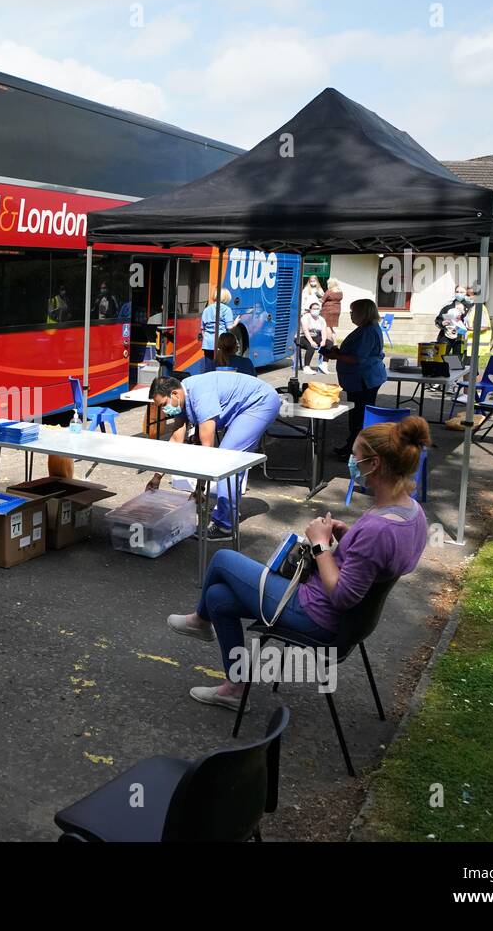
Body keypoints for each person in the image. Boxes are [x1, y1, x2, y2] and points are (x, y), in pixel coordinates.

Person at [167, 415, 431, 711]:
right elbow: (373, 564)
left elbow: (343, 596)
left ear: (375, 463)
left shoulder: (378, 529)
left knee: (223, 559)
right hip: (344, 620)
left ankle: (200, 622)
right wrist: (345, 539)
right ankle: (233, 689)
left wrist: (320, 545)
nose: (351, 461)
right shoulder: (411, 513)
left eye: (355, 455)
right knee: (218, 597)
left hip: (316, 615)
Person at [147, 372, 281, 540]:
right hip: (244, 404)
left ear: (174, 393)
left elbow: (208, 451)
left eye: (163, 404)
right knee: (227, 457)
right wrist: (157, 476)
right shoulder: (182, 395)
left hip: (260, 403)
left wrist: (199, 488)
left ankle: (225, 526)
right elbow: (175, 440)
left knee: (227, 459)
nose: (165, 410)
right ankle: (228, 510)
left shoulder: (200, 397)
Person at [321, 299, 388, 459]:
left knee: (359, 416)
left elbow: (357, 358)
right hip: (361, 379)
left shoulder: (367, 331)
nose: (351, 315)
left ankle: (356, 450)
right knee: (358, 415)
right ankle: (354, 446)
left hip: (363, 380)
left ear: (363, 313)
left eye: (353, 312)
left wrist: (335, 355)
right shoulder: (367, 328)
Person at [198, 288, 235, 371]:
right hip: (220, 342)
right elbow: (229, 327)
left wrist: (207, 338)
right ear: (226, 298)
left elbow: (203, 328)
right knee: (220, 366)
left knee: (209, 367)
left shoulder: (206, 309)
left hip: (207, 343)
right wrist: (236, 322)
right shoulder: (226, 309)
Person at [435, 285, 471, 355]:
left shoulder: (470, 307)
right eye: (457, 292)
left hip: (461, 337)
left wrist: (463, 314)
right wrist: (442, 323)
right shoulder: (448, 306)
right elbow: (438, 320)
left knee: (456, 361)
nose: (459, 294)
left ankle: (453, 365)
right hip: (447, 336)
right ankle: (444, 366)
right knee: (442, 356)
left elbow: (471, 322)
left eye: (461, 292)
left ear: (466, 294)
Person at [297, 300, 330, 373]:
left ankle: (324, 364)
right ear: (310, 309)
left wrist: (323, 340)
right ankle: (306, 367)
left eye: (318, 309)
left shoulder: (321, 319)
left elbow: (323, 331)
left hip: (315, 336)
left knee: (329, 343)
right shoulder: (306, 317)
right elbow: (305, 330)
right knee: (311, 346)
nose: (316, 310)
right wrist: (311, 341)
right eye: (314, 309)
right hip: (302, 336)